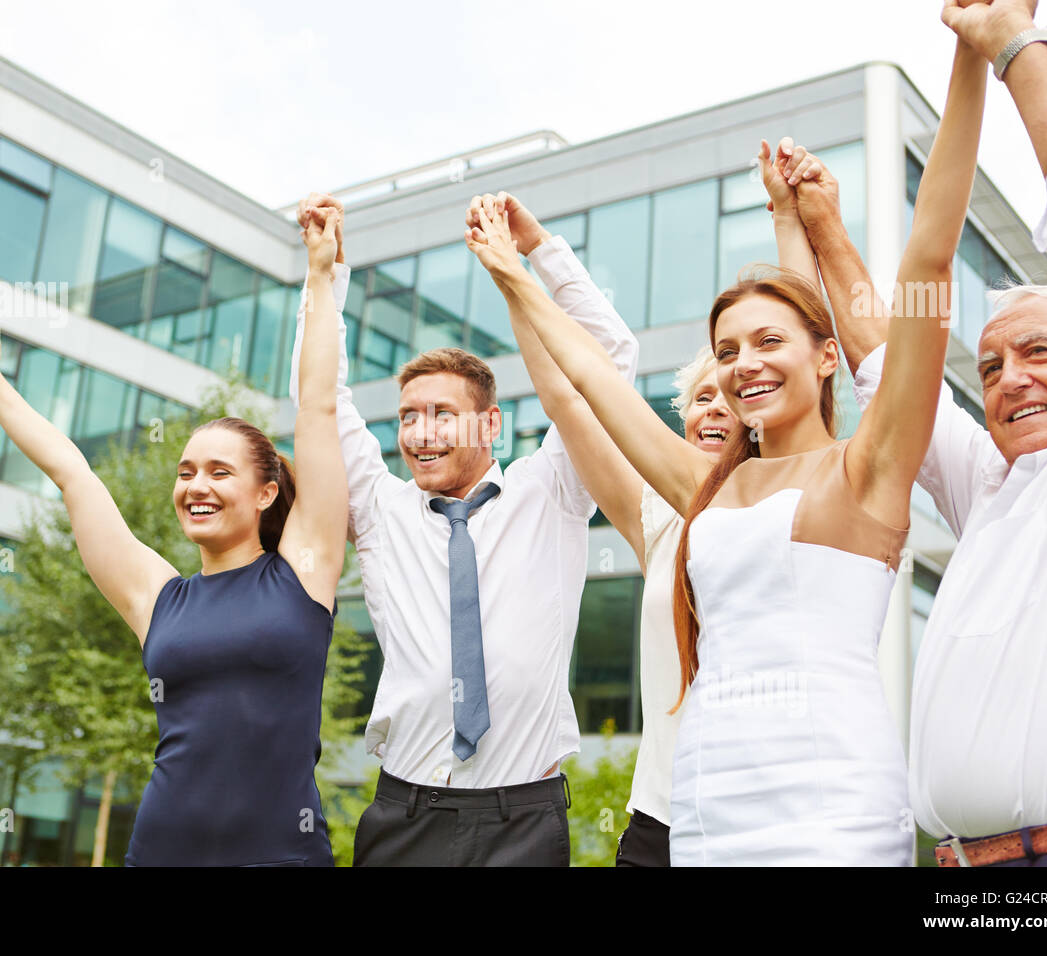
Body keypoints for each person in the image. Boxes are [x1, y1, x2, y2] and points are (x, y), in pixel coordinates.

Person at [470, 23, 987, 864]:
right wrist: (513, 277)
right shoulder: (702, 490)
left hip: (833, 809)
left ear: (829, 358)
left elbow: (929, 253)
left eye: (767, 344)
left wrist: (971, 56)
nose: (744, 365)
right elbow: (594, 383)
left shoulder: (871, 469)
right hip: (707, 805)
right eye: (728, 348)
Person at [809, 0, 1047, 866]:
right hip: (967, 875)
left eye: (1042, 352)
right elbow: (887, 363)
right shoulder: (988, 482)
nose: (1011, 378)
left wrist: (1012, 44)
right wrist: (827, 227)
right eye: (990, 366)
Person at [467, 174, 829, 864]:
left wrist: (794, 222)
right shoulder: (658, 519)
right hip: (660, 824)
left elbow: (807, 344)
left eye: (729, 392)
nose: (715, 405)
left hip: (771, 829)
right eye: (698, 397)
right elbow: (571, 398)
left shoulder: (806, 497)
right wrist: (523, 263)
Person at [0, 208, 349, 866]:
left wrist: (321, 274)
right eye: (185, 472)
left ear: (265, 494)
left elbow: (317, 405)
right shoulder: (159, 598)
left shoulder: (305, 571)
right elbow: (73, 474)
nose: (195, 485)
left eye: (218, 472)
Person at [289, 193, 638, 866]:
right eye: (409, 416)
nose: (420, 433)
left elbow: (611, 360)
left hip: (524, 821)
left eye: (442, 414)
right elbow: (320, 394)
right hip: (406, 813)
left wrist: (538, 250)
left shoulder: (555, 490)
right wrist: (325, 275)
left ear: (490, 425)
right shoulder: (383, 510)